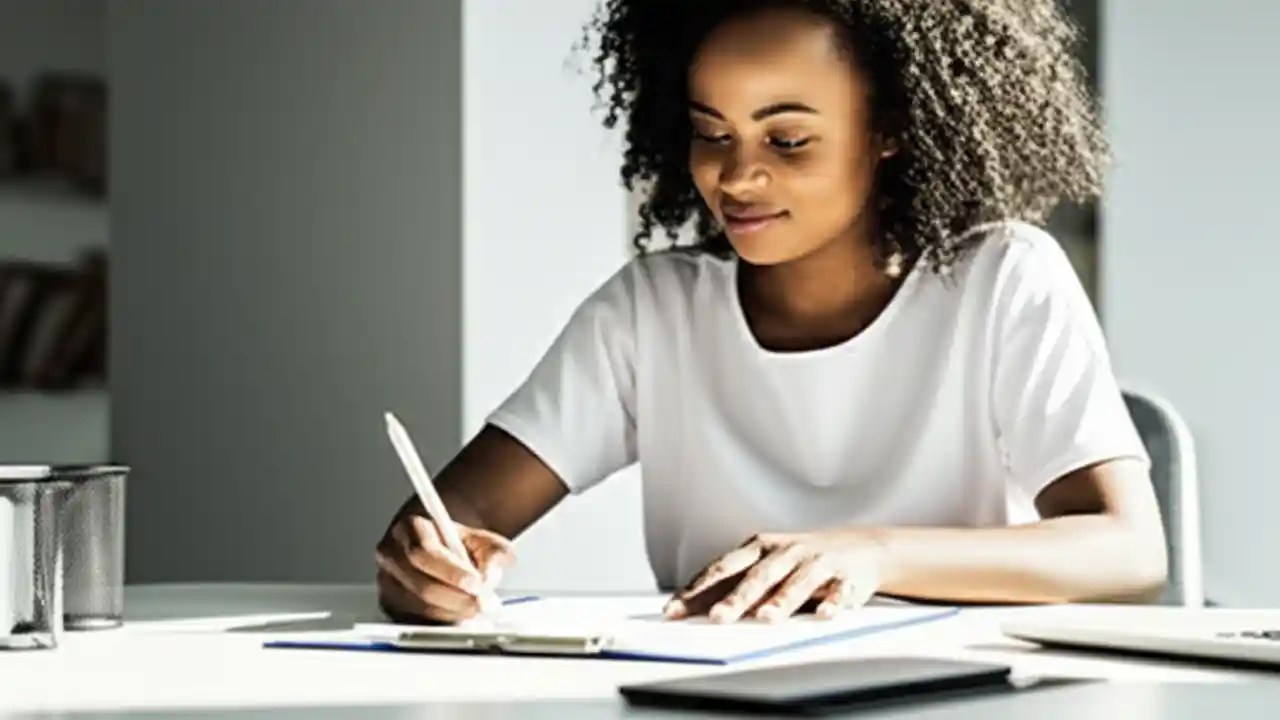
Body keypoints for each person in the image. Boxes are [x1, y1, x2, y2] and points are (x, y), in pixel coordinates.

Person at [375, 0, 1167, 625]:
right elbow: (450, 518)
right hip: (715, 693)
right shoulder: (652, 313)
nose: (737, 177)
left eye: (788, 140)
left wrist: (873, 555)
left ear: (891, 129)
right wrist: (428, 567)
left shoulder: (1002, 279)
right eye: (710, 133)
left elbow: (1126, 551)